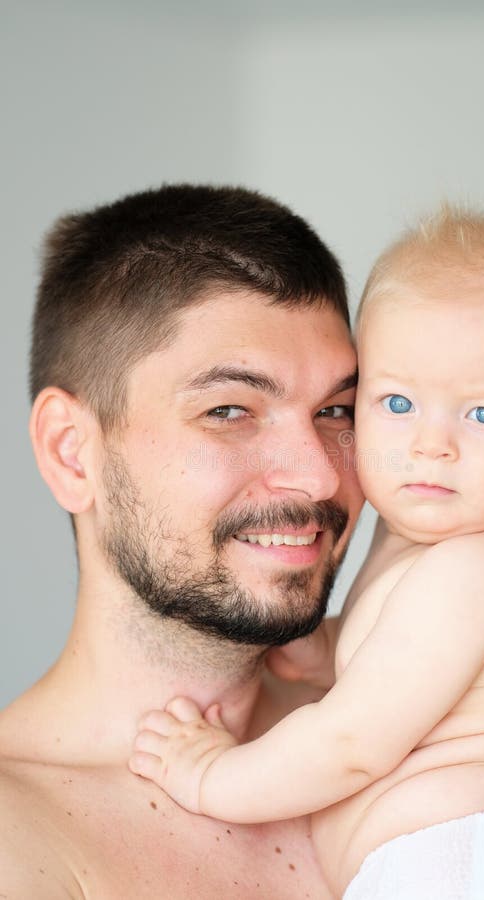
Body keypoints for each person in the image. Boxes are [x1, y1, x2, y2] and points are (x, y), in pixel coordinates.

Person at [129, 206, 484, 899]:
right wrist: (327, 648)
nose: (431, 445)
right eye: (398, 403)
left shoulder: (476, 569)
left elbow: (350, 744)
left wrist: (209, 775)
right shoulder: (433, 533)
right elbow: (406, 663)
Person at [0, 184, 365, 897]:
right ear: (72, 453)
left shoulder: (414, 743)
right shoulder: (17, 845)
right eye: (229, 410)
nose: (320, 476)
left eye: (336, 410)